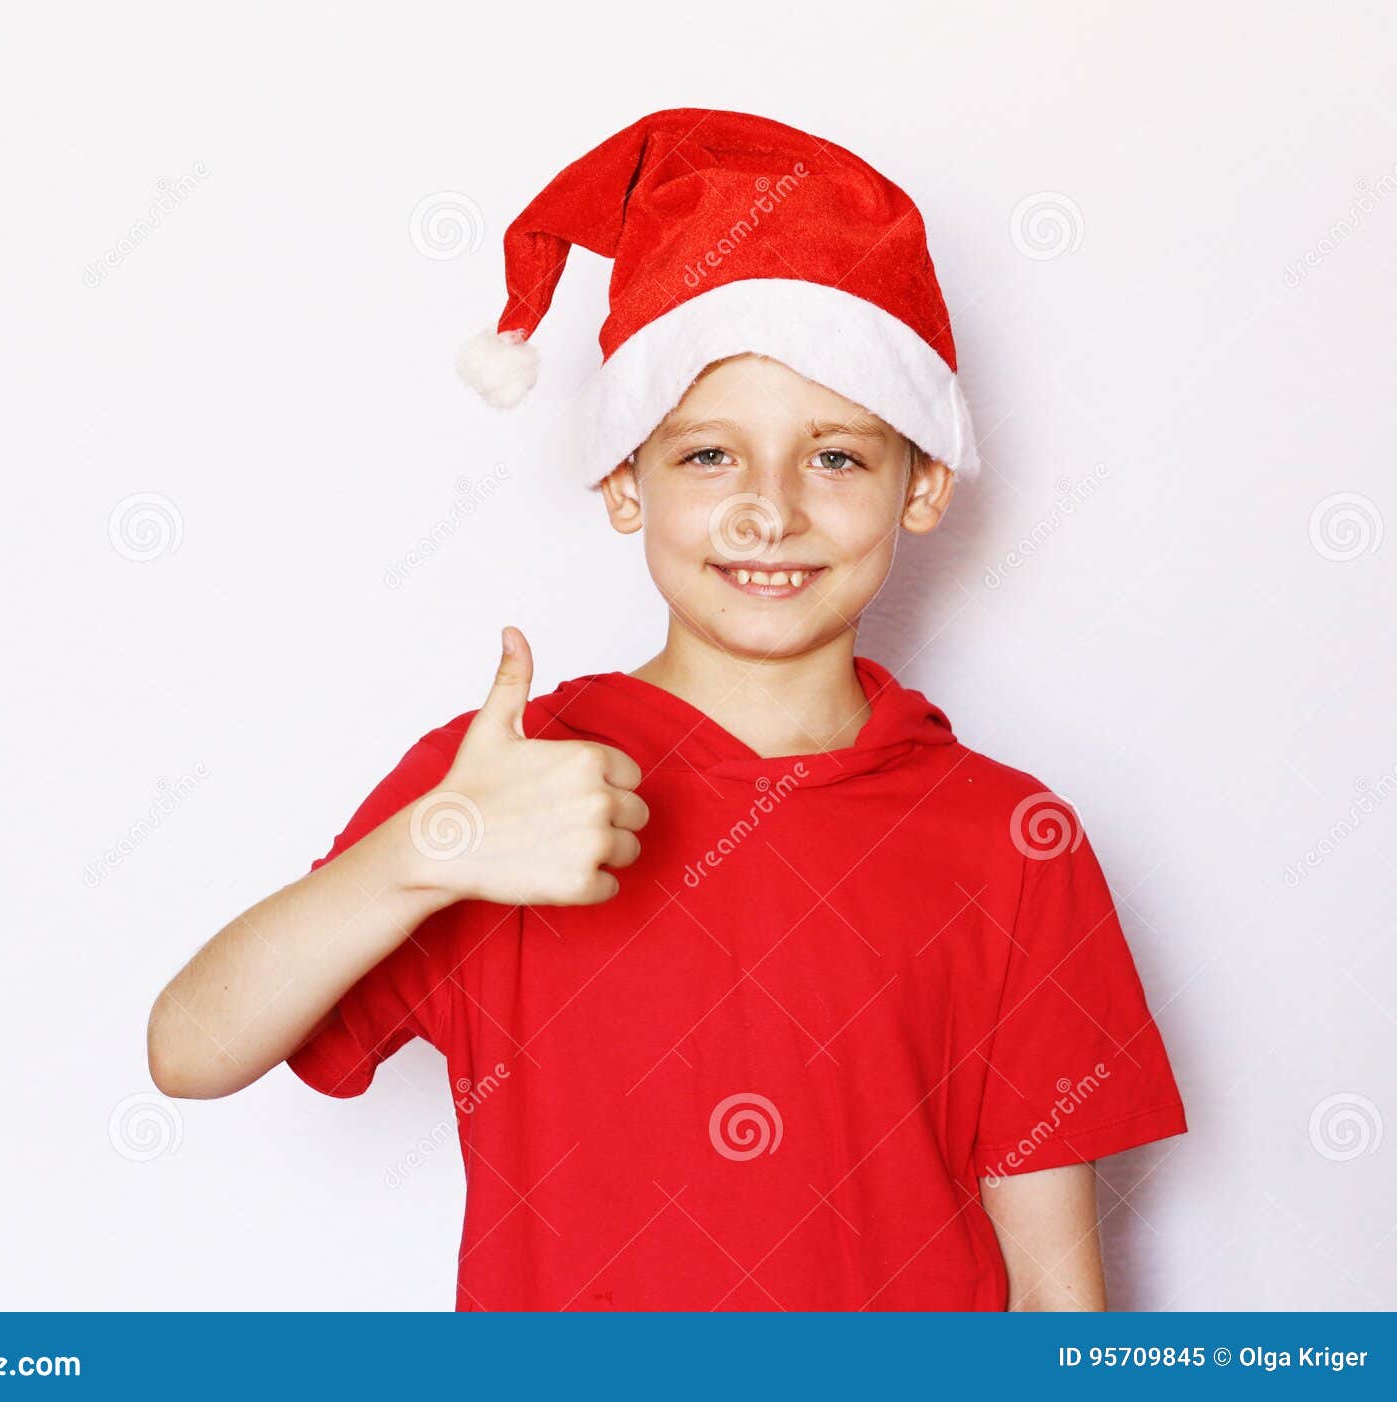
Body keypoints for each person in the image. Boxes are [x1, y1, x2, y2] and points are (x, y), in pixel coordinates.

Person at [147, 108, 1186, 1311]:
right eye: (707, 456)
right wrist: (428, 853)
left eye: (836, 456)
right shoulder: (507, 786)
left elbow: (1061, 1297)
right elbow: (191, 1048)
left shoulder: (1012, 842)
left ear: (926, 482)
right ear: (620, 482)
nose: (770, 510)